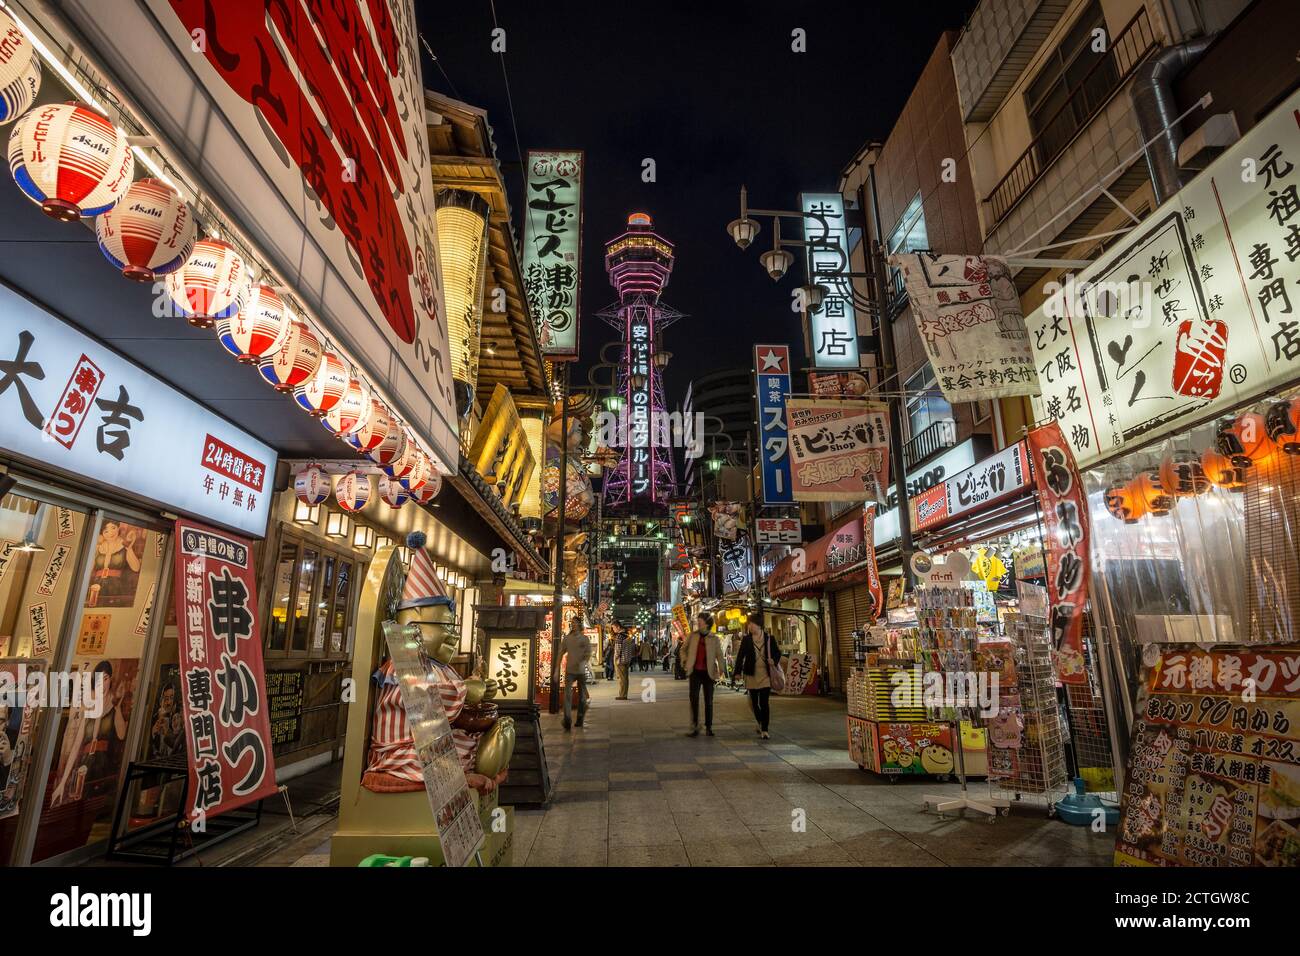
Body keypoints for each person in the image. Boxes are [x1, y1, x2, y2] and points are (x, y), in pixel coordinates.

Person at [734, 618, 782, 739]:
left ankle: (765, 729)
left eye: (752, 624)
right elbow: (740, 656)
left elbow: (777, 653)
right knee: (754, 703)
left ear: (759, 625)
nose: (750, 626)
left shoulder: (769, 638)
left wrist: (774, 660)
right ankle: (760, 722)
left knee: (764, 702)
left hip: (766, 674)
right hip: (751, 675)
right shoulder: (746, 639)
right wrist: (737, 672)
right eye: (749, 624)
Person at [679, 613, 723, 737]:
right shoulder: (692, 636)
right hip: (695, 672)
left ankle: (709, 727)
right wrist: (685, 661)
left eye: (700, 621)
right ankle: (695, 726)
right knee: (694, 699)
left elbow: (719, 654)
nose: (698, 623)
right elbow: (683, 649)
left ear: (707, 623)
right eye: (698, 621)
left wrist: (722, 668)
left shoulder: (714, 638)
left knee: (709, 700)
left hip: (708, 672)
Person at [559, 619, 592, 731]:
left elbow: (588, 653)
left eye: (575, 623)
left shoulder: (585, 639)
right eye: (572, 623)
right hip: (570, 671)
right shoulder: (567, 639)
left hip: (581, 671)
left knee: (582, 697)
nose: (573, 624)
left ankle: (580, 718)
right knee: (567, 696)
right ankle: (567, 719)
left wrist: (584, 662)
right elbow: (560, 653)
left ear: (579, 625)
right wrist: (556, 669)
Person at [612, 622, 632, 700]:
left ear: (618, 627)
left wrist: (615, 659)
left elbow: (617, 650)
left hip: (620, 660)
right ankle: (624, 694)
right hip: (627, 659)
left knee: (621, 679)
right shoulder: (626, 635)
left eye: (613, 628)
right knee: (625, 678)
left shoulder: (619, 636)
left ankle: (622, 695)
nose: (613, 630)